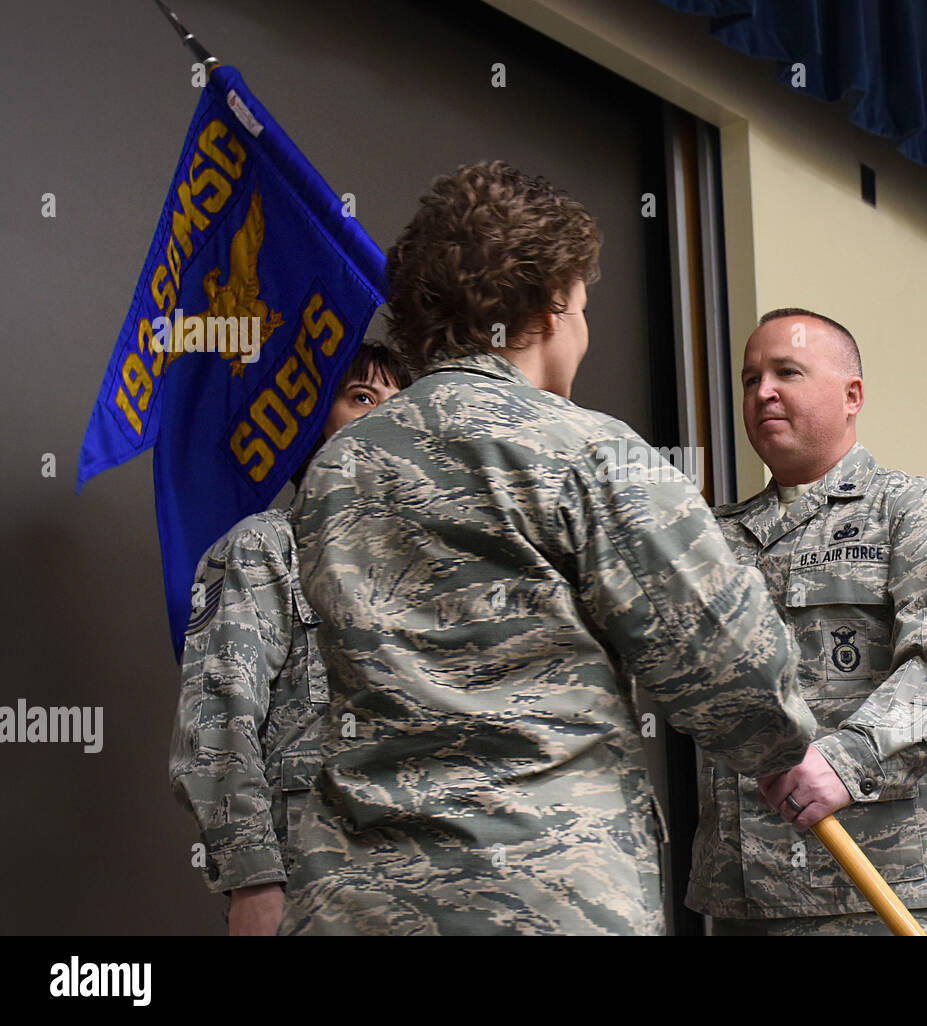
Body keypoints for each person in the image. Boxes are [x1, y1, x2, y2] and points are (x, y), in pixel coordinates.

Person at [279, 160, 815, 936]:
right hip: (544, 897)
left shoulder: (337, 469)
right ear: (552, 301)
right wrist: (776, 741)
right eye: (584, 303)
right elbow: (736, 670)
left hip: (353, 901)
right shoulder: (590, 451)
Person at [686, 308, 927, 936]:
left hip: (884, 884)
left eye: (787, 372)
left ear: (852, 395)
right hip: (744, 892)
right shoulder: (708, 537)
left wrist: (849, 760)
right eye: (750, 379)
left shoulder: (907, 512)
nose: (763, 392)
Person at [169, 343, 411, 936]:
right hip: (311, 885)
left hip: (427, 883)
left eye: (400, 403)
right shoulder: (265, 546)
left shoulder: (430, 562)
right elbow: (218, 723)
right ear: (313, 423)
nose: (386, 416)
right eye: (361, 398)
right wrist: (253, 882)